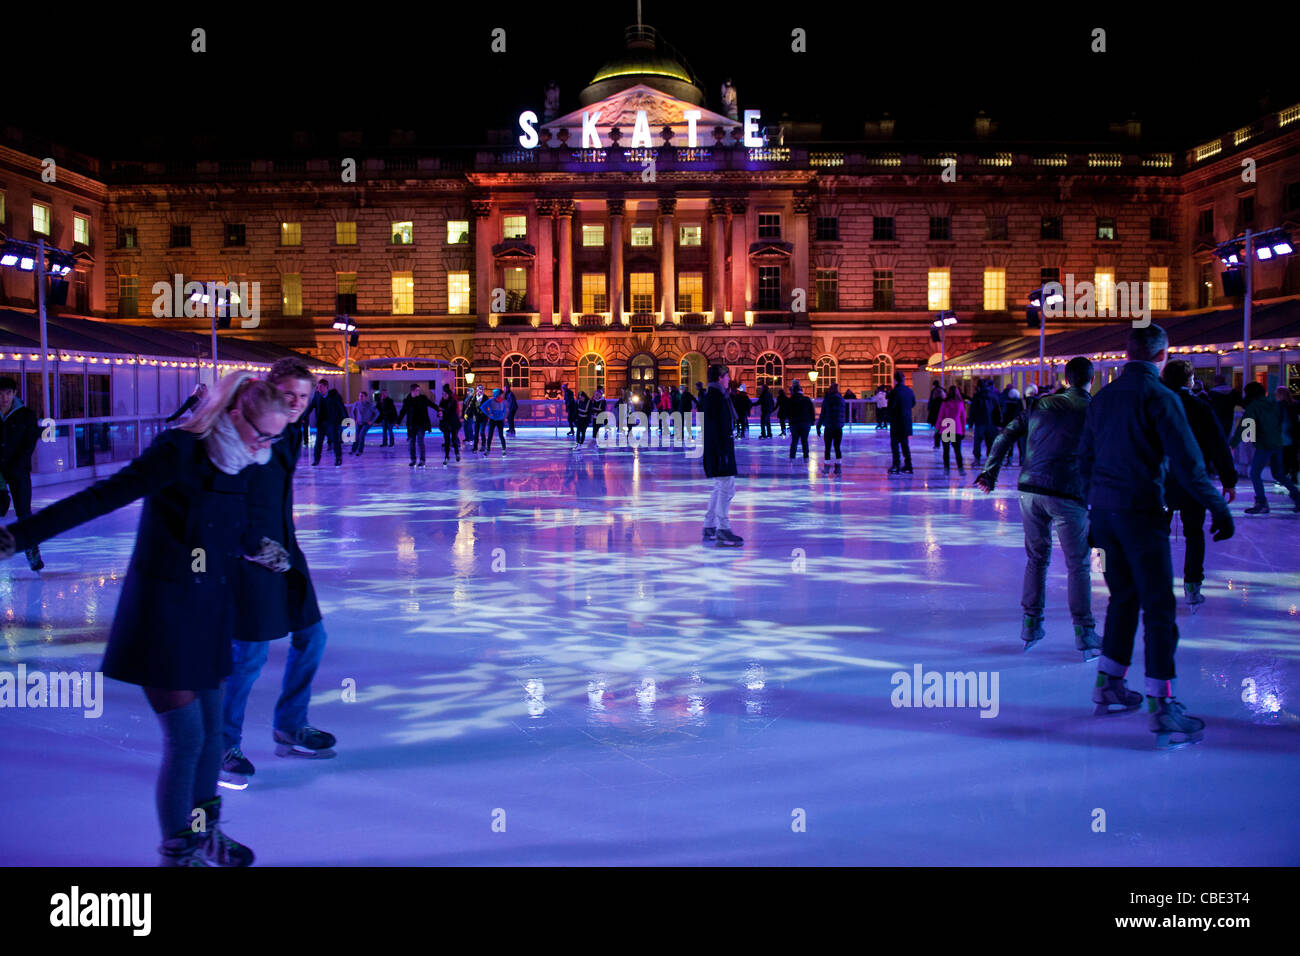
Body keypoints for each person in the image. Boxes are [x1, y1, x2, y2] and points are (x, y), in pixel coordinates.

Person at [1, 372, 291, 864]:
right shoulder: (179, 449)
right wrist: (20, 533)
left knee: (211, 736)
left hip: (210, 613)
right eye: (261, 433)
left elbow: (226, 524)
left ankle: (204, 833)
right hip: (165, 613)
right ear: (236, 413)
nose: (265, 445)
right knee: (189, 738)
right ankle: (178, 852)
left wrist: (255, 547)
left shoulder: (242, 460)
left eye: (274, 437)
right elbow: (102, 497)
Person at [1078, 324, 1233, 750]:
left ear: (1128, 355)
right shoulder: (1161, 397)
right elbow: (1188, 465)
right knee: (1160, 607)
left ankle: (1109, 684)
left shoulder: (1102, 398)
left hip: (1102, 520)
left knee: (1122, 598)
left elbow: (1083, 460)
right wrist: (1218, 507)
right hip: (1141, 516)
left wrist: (1096, 504)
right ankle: (1163, 708)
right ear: (1163, 355)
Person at [222, 359, 336, 792]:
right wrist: (248, 546)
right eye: (289, 393)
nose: (296, 403)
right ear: (269, 389)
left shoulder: (287, 434)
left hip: (286, 549)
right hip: (250, 556)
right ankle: (223, 745)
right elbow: (224, 499)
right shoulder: (244, 430)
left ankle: (290, 725)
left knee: (313, 636)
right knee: (248, 655)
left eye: (304, 397)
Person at [976, 358, 1099, 658]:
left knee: (1037, 558)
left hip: (1030, 490)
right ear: (1090, 380)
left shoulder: (1039, 405)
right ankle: (1084, 632)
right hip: (1068, 492)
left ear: (1066, 379)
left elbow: (1005, 434)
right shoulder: (1095, 408)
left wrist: (989, 473)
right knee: (1078, 564)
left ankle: (1031, 623)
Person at [1159, 360, 1238, 606]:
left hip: (1160, 482)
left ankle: (1157, 585)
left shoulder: (1156, 406)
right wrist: (1228, 479)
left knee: (1157, 534)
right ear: (1190, 380)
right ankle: (1193, 585)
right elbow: (1218, 444)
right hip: (1193, 481)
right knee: (1194, 533)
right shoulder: (1200, 407)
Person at [1230, 381, 1300, 514]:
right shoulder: (1274, 403)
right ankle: (1297, 496)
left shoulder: (1254, 406)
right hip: (1277, 443)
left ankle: (1261, 503)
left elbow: (1245, 426)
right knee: (1279, 474)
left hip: (1264, 444)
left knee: (1255, 473)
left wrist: (1233, 444)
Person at [0, 377, 44, 570]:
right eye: (0, 394)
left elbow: (28, 445)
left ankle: (32, 552)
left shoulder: (26, 415)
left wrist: (15, 467)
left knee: (24, 513)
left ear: (15, 394)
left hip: (18, 472)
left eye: (8, 393)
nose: (4, 398)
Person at [702, 364, 742, 546]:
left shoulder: (717, 396)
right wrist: (722, 453)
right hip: (719, 451)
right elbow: (715, 428)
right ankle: (722, 528)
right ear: (720, 378)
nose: (729, 380)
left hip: (718, 450)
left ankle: (710, 525)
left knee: (720, 486)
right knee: (727, 487)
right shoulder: (716, 397)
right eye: (727, 376)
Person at [307, 379, 346, 467]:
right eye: (318, 387)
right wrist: (304, 417)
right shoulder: (317, 395)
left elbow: (341, 407)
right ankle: (316, 460)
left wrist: (346, 419)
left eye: (320, 386)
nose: (318, 388)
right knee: (318, 443)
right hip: (321, 424)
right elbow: (311, 407)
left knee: (336, 442)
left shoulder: (334, 395)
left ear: (326, 387)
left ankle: (338, 458)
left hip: (332, 424)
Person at [397, 383, 436, 467]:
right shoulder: (407, 400)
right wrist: (398, 422)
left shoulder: (422, 399)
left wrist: (439, 409)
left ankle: (422, 460)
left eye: (419, 390)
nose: (419, 392)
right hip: (411, 426)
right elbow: (403, 411)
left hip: (421, 425)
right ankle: (413, 459)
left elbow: (431, 404)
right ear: (413, 391)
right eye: (417, 390)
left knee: (420, 442)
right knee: (411, 443)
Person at [887, 371, 915, 474]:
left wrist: (890, 415)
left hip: (896, 422)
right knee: (905, 445)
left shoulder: (895, 392)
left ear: (895, 380)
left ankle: (896, 465)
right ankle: (908, 465)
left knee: (895, 445)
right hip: (906, 422)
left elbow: (892, 407)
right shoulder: (909, 390)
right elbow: (913, 403)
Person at [969, 379, 1001, 465]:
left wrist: (971, 422)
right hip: (991, 423)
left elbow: (973, 410)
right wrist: (999, 422)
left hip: (980, 422)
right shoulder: (993, 396)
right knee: (990, 442)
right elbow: (997, 410)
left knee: (977, 442)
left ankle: (977, 459)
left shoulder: (977, 396)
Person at [936, 385, 966, 473]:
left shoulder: (944, 403)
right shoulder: (960, 403)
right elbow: (963, 418)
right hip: (956, 429)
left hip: (946, 428)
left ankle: (946, 468)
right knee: (957, 451)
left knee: (946, 451)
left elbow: (940, 416)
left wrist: (937, 428)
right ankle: (960, 469)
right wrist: (963, 430)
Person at [785, 381, 814, 459]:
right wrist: (812, 421)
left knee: (794, 440)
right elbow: (811, 411)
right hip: (805, 422)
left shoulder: (790, 400)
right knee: (804, 440)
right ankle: (806, 456)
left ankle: (792, 456)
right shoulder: (807, 399)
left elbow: (787, 411)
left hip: (794, 423)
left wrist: (789, 420)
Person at [817, 382, 846, 463]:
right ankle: (838, 465)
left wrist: (818, 426)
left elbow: (822, 414)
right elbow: (843, 413)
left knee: (827, 448)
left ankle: (826, 466)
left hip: (829, 426)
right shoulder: (841, 400)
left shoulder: (827, 400)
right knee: (837, 447)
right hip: (838, 427)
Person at [1206, 374, 1239, 440]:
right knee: (1227, 436)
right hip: (1229, 417)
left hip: (1216, 417)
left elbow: (1208, 406)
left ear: (1215, 382)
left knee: (1218, 437)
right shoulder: (1232, 392)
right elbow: (1239, 402)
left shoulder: (1212, 393)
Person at [1279, 386, 1300, 485]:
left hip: (1284, 434)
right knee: (1292, 456)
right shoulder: (1296, 404)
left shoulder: (1279, 405)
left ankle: (1285, 474)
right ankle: (1293, 474)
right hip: (1294, 434)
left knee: (1284, 456)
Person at [480, 387, 509, 456]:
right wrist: (489, 414)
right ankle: (487, 449)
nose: (502, 395)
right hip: (492, 420)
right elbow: (482, 407)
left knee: (501, 435)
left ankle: (504, 449)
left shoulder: (502, 401)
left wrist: (503, 416)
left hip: (500, 421)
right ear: (498, 394)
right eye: (501, 394)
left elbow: (504, 409)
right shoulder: (491, 401)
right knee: (490, 435)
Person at [437, 384, 461, 464]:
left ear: (448, 394)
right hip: (445, 424)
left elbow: (452, 412)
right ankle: (446, 457)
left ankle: (457, 453)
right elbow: (439, 411)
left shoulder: (453, 401)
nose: (443, 396)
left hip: (453, 423)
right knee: (447, 441)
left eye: (445, 394)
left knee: (454, 439)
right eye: (443, 394)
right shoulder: (442, 402)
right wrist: (439, 414)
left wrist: (443, 411)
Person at [349, 391, 378, 456]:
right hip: (359, 423)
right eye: (360, 396)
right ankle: (353, 450)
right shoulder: (356, 404)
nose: (360, 397)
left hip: (366, 423)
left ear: (366, 397)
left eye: (362, 396)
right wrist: (355, 419)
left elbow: (377, 413)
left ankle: (360, 451)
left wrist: (371, 421)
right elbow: (353, 411)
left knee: (361, 435)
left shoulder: (369, 405)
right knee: (356, 436)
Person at [927, 382, 944, 449]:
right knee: (944, 432)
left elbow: (932, 411)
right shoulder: (944, 401)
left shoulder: (934, 402)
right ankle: (946, 445)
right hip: (943, 420)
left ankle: (937, 444)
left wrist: (931, 421)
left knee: (937, 432)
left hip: (937, 420)